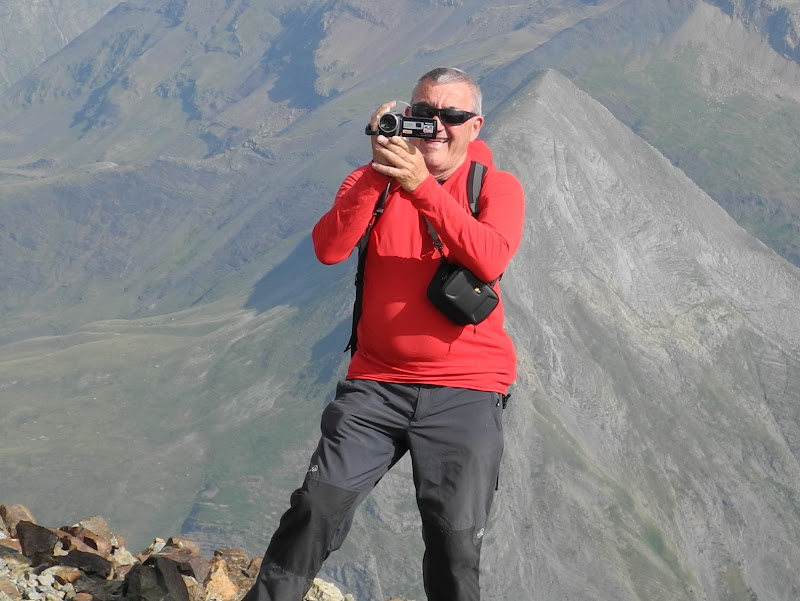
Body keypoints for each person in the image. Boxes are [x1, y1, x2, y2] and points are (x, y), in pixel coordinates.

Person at [242, 67, 525, 601]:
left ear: (476, 126)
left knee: (454, 541)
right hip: (376, 383)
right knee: (315, 509)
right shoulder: (371, 182)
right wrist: (380, 169)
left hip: (467, 389)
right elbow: (328, 248)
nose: (437, 127)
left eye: (453, 116)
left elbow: (489, 259)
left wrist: (421, 188)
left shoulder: (497, 187)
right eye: (425, 114)